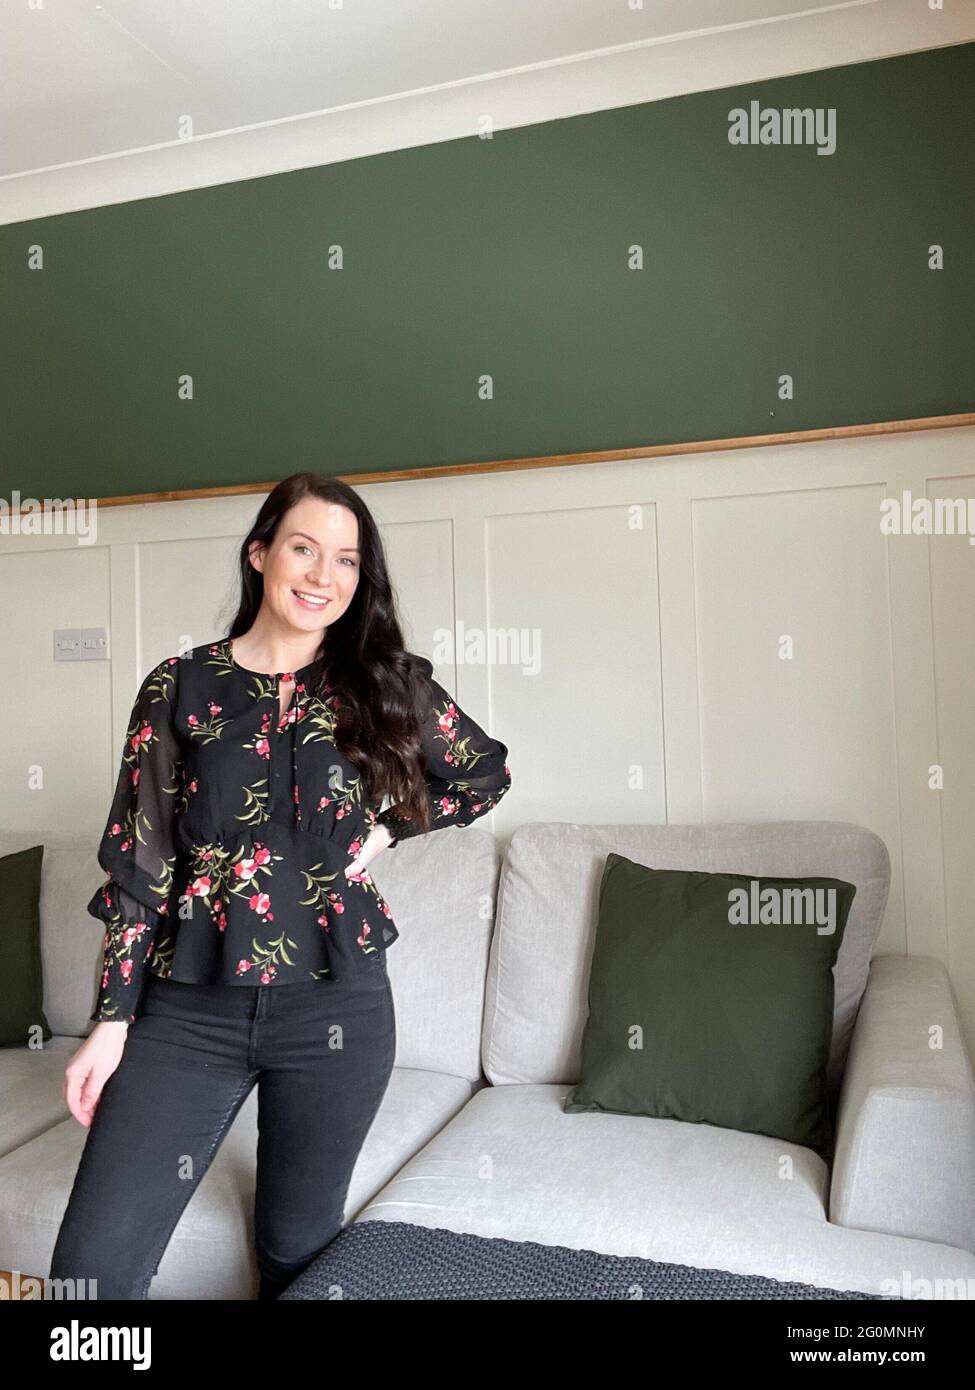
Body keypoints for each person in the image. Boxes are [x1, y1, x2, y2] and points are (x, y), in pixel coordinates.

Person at [49, 471, 512, 1301]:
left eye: (346, 560)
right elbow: (139, 862)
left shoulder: (383, 682)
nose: (322, 575)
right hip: (186, 1012)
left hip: (336, 1009)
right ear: (260, 553)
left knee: (294, 1252)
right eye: (303, 549)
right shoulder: (179, 685)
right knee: (89, 1273)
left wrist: (387, 829)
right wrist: (111, 1021)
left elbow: (483, 774)